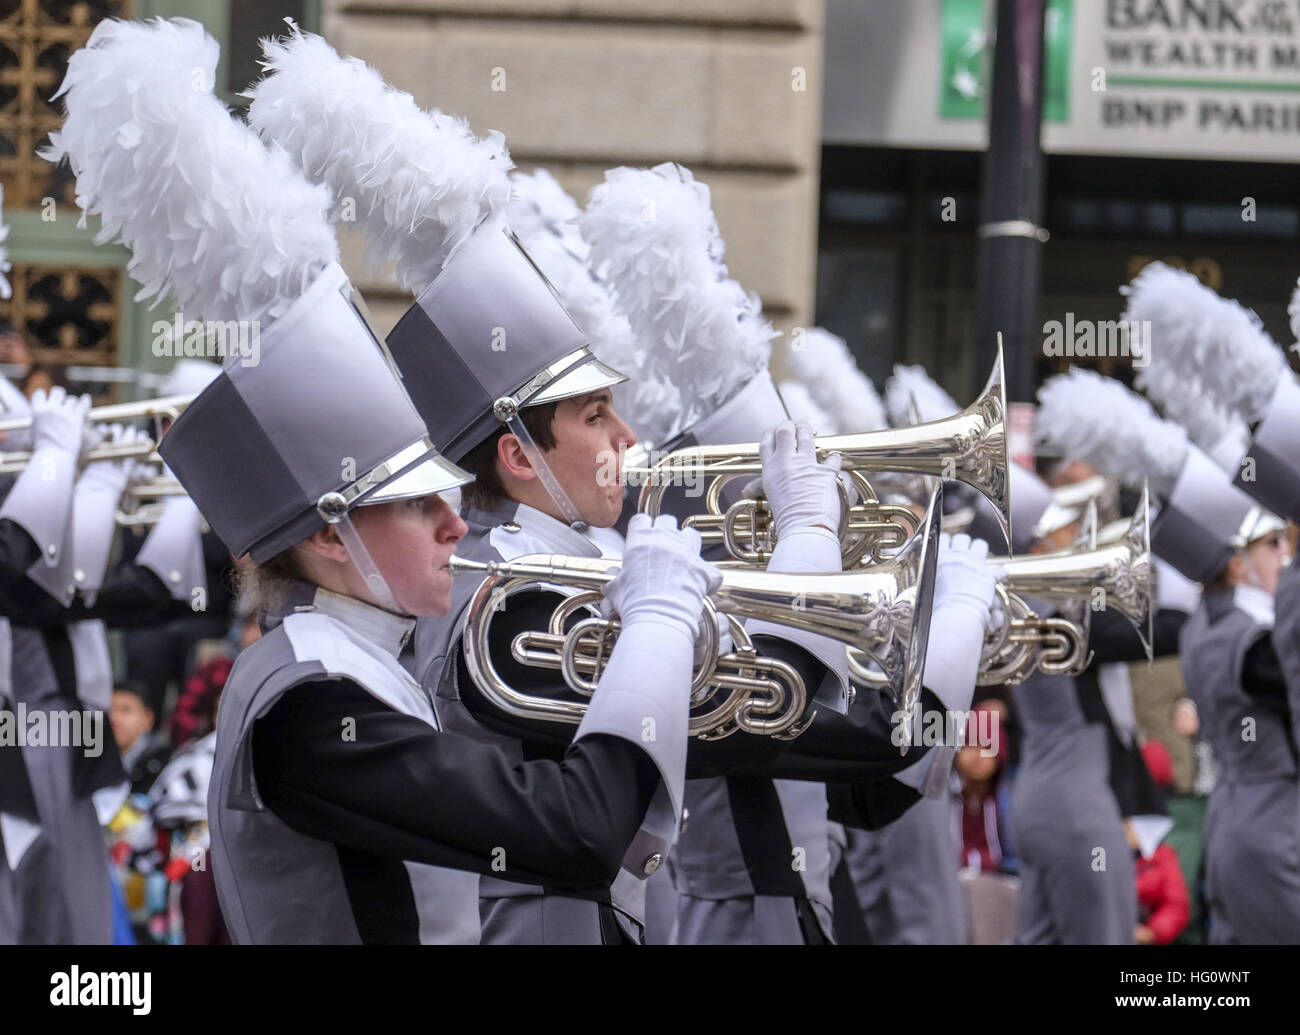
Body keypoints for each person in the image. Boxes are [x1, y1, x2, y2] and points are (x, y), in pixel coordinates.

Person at [51, 15, 714, 944]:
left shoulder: (355, 661)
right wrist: (657, 624)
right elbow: (575, 830)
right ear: (330, 534)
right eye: (415, 500)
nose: (456, 523)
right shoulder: (313, 708)